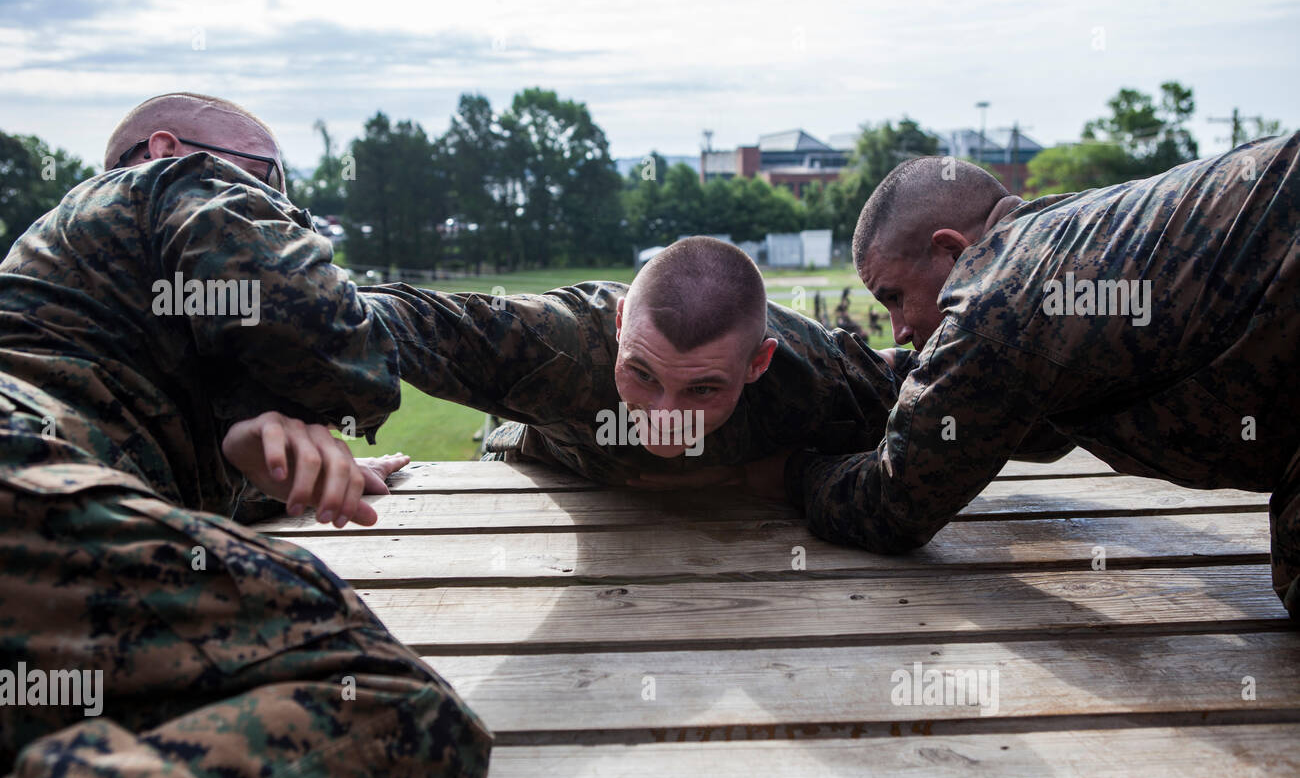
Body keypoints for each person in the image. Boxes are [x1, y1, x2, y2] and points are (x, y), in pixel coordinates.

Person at [0, 92, 492, 778]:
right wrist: (314, 393)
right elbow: (334, 344)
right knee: (402, 715)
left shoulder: (77, 300)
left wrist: (253, 454)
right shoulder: (158, 184)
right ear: (165, 150)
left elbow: (121, 459)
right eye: (267, 181)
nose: (282, 211)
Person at [748, 138, 1300, 620]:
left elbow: (893, 505)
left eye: (894, 296)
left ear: (951, 251)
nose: (901, 327)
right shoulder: (1065, 233)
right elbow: (1040, 427)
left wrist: (793, 472)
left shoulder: (1003, 285)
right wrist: (918, 382)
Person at [370, 236, 1071, 491]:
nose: (666, 420)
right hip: (546, 464)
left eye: (703, 389)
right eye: (641, 375)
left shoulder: (819, 376)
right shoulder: (557, 343)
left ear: (759, 363)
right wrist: (286, 415)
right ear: (619, 327)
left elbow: (990, 399)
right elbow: (369, 315)